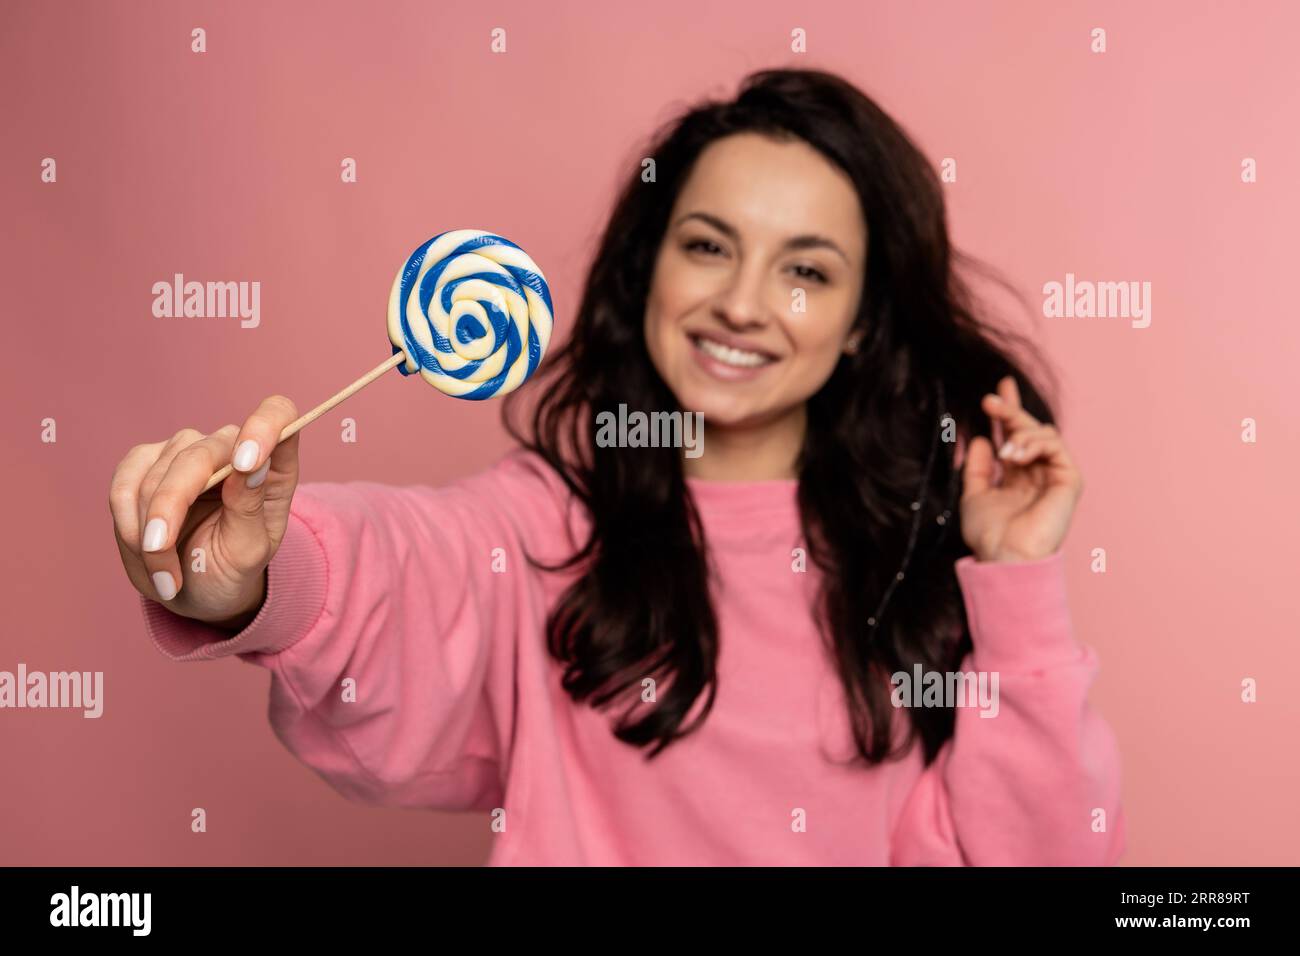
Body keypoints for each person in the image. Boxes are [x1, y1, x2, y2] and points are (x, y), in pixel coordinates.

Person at [110, 68, 1125, 866]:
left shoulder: (915, 561)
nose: (741, 302)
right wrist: (254, 570)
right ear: (650, 268)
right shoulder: (550, 525)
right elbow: (406, 564)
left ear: (863, 322)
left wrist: (1018, 583)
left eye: (806, 270)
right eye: (707, 245)